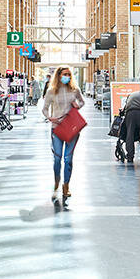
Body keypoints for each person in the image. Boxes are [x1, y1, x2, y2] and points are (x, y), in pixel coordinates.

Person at [41, 66, 84, 201]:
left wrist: (77, 105)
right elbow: (45, 109)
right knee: (57, 159)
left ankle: (66, 186)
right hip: (57, 128)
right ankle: (56, 182)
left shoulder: (75, 90)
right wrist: (50, 117)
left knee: (68, 159)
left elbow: (82, 102)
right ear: (58, 76)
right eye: (65, 74)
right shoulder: (51, 91)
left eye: (69, 75)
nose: (67, 77)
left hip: (71, 127)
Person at [122, 90, 140, 164]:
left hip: (130, 113)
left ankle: (130, 156)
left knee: (129, 134)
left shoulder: (131, 95)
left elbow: (125, 107)